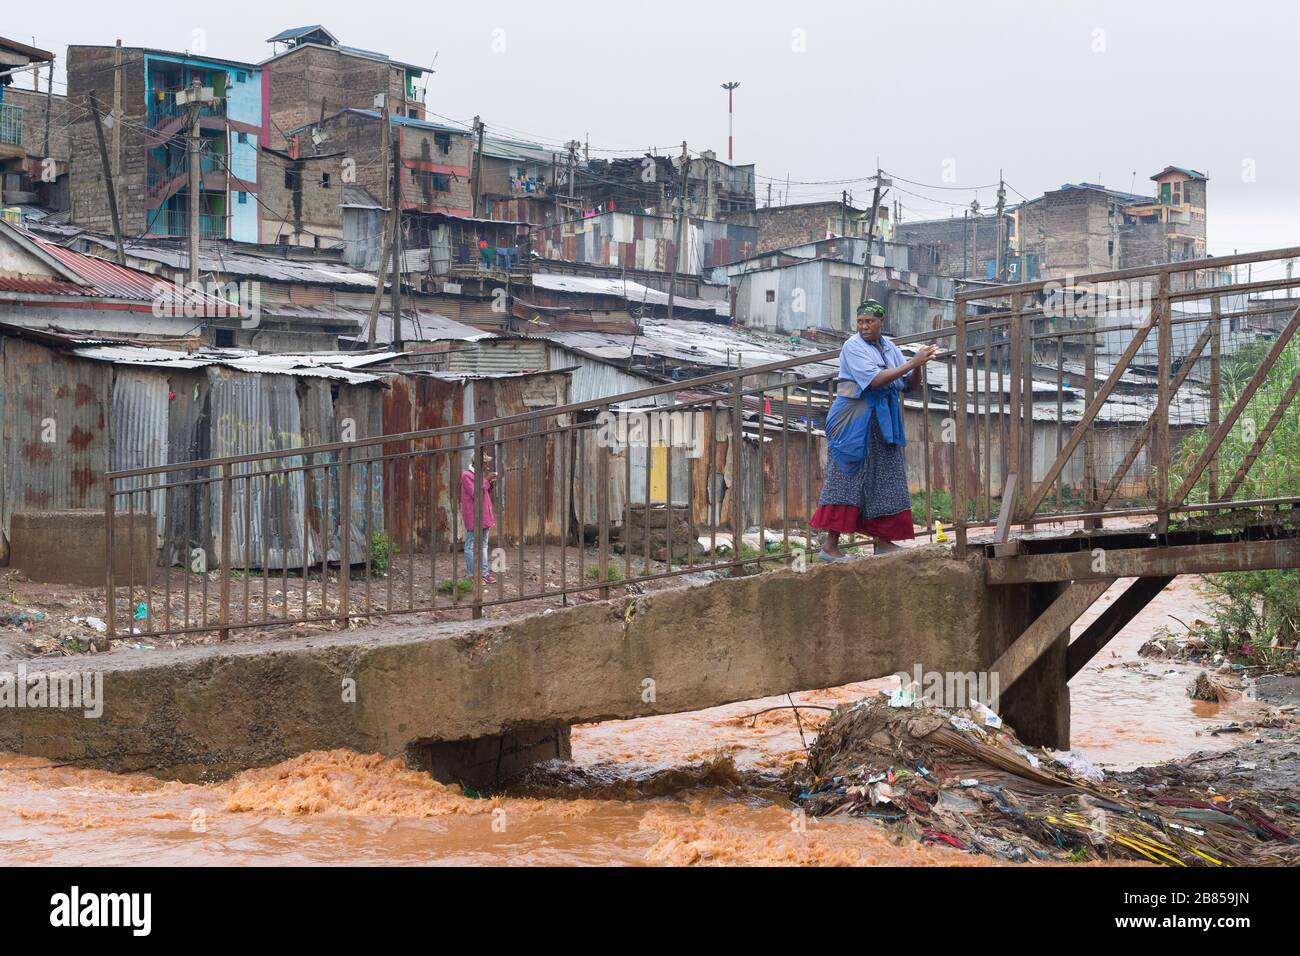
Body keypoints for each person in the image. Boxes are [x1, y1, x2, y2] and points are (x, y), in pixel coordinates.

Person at [812, 299, 939, 559]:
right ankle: (829, 546)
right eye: (860, 322)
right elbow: (875, 380)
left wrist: (919, 365)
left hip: (882, 422)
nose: (864, 327)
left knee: (886, 478)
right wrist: (911, 363)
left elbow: (908, 385)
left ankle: (883, 541)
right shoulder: (852, 347)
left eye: (869, 322)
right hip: (854, 420)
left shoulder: (889, 347)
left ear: (882, 323)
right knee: (848, 476)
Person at [460, 456, 498, 583]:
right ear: (478, 463)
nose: (487, 467)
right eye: (485, 463)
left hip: (484, 515)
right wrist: (487, 480)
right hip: (474, 516)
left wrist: (490, 485)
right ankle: (473, 576)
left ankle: (484, 574)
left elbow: (483, 492)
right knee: (470, 545)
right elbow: (475, 493)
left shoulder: (480, 475)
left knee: (483, 545)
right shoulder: (467, 475)